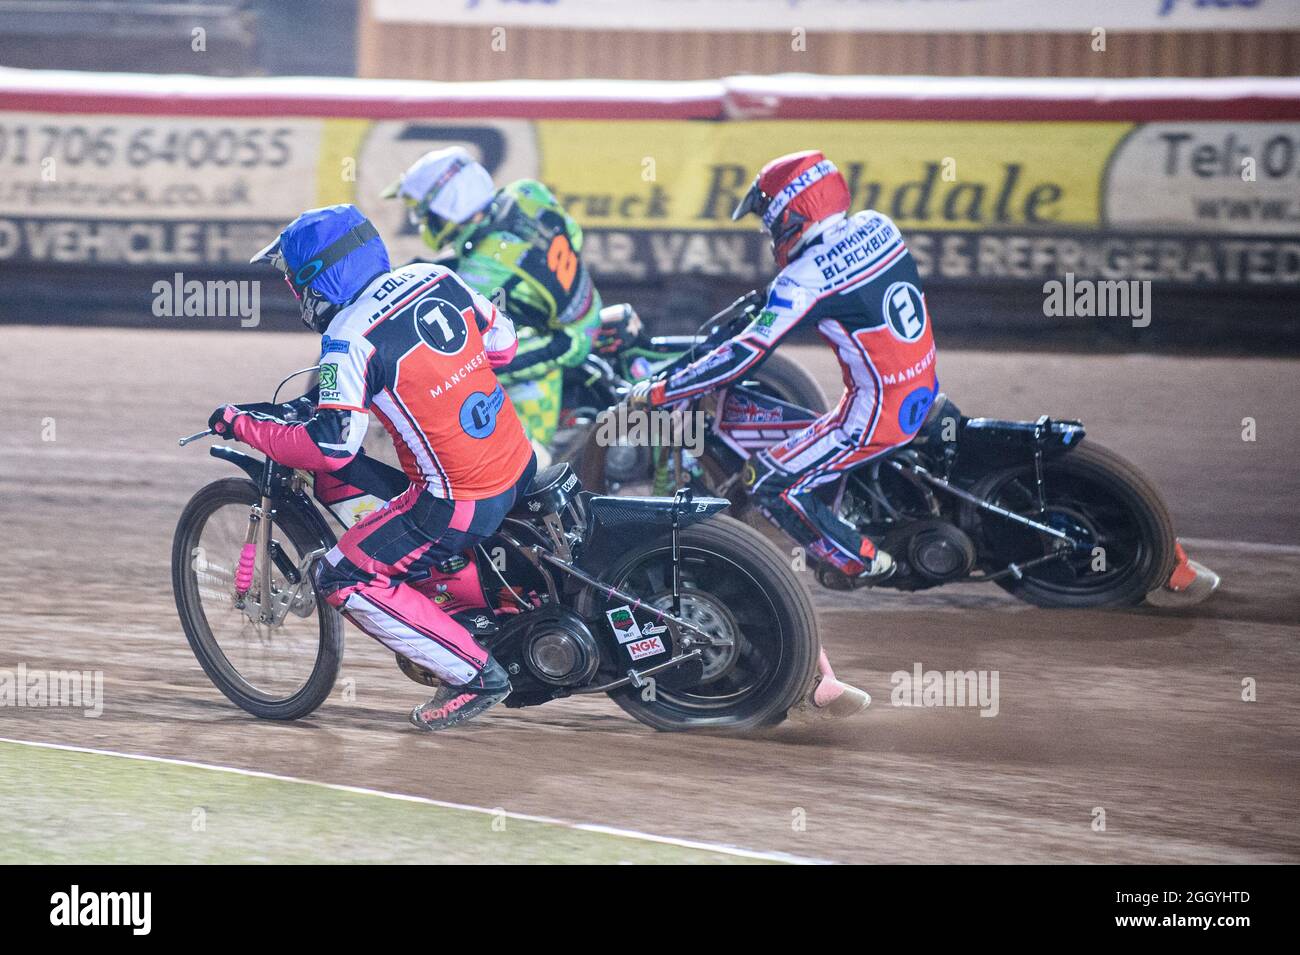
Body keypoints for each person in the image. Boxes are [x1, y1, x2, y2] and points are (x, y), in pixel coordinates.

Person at [208, 204, 536, 731]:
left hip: (457, 501)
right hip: (519, 461)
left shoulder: (348, 335)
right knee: (388, 481)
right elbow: (504, 346)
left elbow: (331, 448)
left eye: (295, 282)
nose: (296, 295)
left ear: (319, 278)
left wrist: (241, 424)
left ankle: (475, 675)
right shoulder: (437, 276)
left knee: (339, 574)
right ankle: (455, 589)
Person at [633, 150, 939, 594]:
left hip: (876, 414)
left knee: (769, 481)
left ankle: (862, 563)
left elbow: (744, 355)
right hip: (923, 382)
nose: (769, 231)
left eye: (769, 220)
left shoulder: (805, 277)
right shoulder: (878, 225)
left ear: (793, 211)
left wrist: (665, 390)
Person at [381, 147, 603, 459]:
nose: (421, 221)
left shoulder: (487, 263)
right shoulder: (527, 191)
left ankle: (534, 461)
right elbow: (575, 237)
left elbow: (439, 294)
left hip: (569, 336)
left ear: (446, 208)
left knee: (473, 366)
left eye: (423, 212)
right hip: (585, 302)